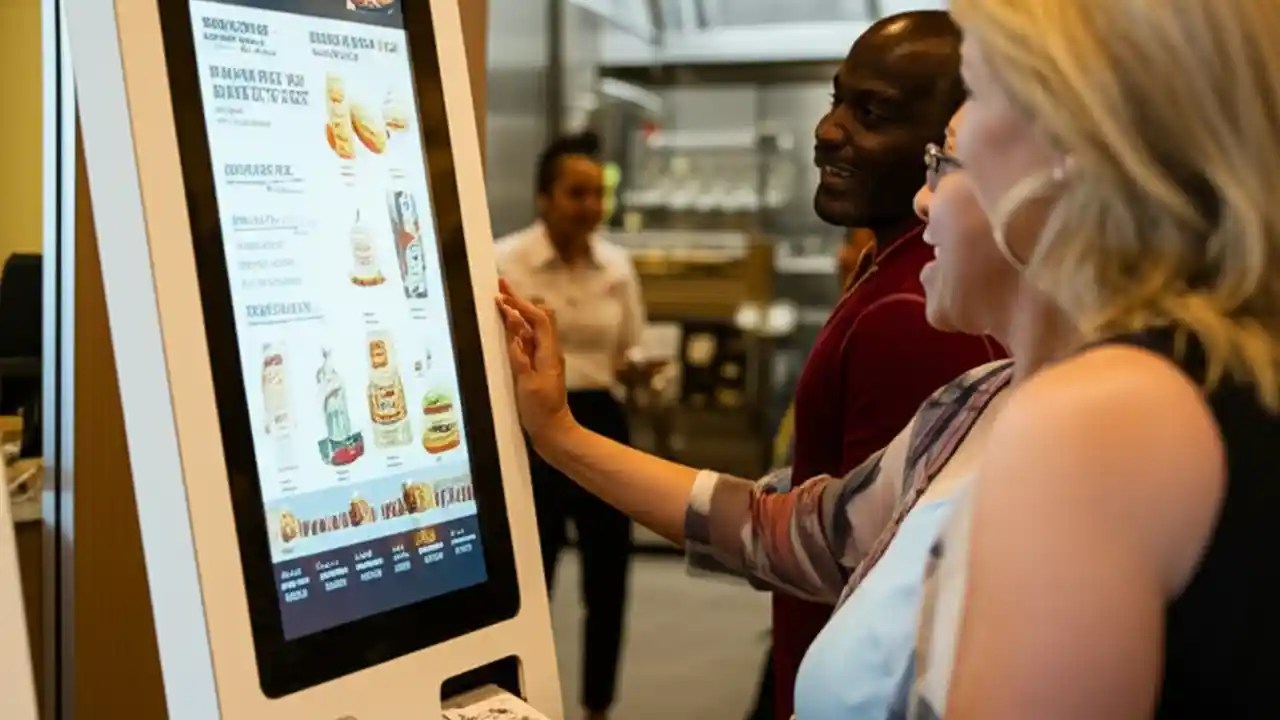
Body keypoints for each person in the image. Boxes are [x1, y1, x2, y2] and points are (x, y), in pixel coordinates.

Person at [495, 100, 1078, 719]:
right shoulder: (969, 404)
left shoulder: (1093, 458)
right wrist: (558, 434)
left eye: (945, 162)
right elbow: (784, 529)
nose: (922, 200)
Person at [911, 3, 1280, 719]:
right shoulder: (1234, 371)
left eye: (977, 92)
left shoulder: (1098, 420)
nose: (961, 153)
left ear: (1071, 131)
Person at [768, 13, 1007, 718]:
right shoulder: (896, 278)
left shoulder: (913, 312)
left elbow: (854, 564)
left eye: (870, 112)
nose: (828, 129)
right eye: (836, 99)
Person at [494, 131, 655, 720]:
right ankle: (516, 702)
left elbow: (628, 347)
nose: (589, 206)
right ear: (544, 198)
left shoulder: (617, 265)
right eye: (575, 193)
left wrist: (645, 372)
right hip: (530, 428)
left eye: (597, 194)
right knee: (533, 576)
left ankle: (595, 706)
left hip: (601, 419)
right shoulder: (503, 261)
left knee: (608, 577)